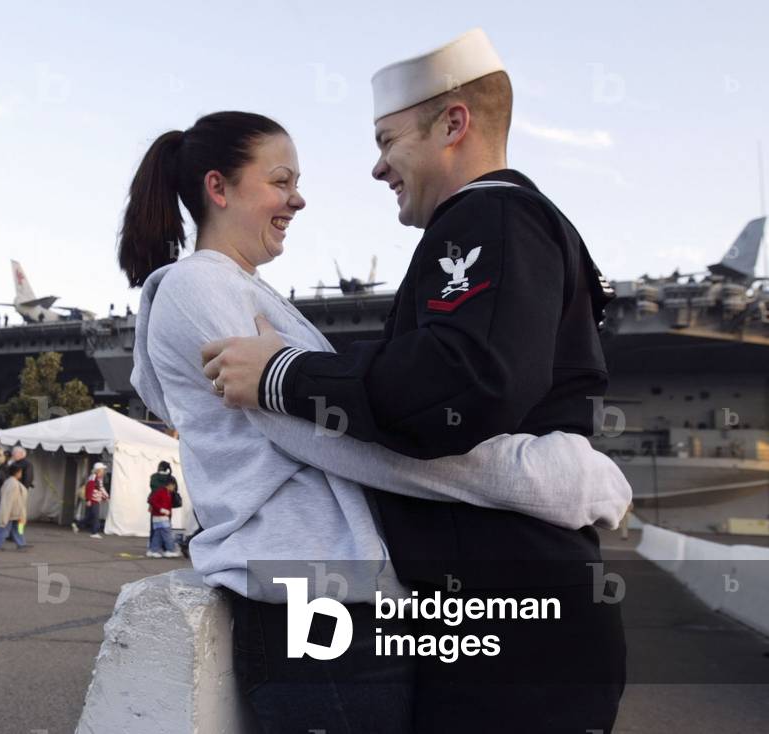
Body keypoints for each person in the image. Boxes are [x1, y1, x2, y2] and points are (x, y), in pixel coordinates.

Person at [121, 111, 631, 732]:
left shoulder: (250, 293)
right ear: (218, 188)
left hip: (351, 597)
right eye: (281, 181)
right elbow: (335, 439)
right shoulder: (199, 288)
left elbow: (345, 423)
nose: (298, 198)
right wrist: (555, 478)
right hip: (313, 603)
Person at [0, 463, 28, 551]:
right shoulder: (12, 484)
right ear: (17, 473)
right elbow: (8, 500)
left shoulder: (10, 482)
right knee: (5, 528)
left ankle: (21, 544)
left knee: (17, 528)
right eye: (20, 472)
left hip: (16, 511)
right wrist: (5, 513)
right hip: (13, 511)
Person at [146, 474, 179, 558]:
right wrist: (161, 509)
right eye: (173, 486)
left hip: (160, 517)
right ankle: (170, 550)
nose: (174, 488)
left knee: (158, 534)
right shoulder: (161, 492)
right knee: (167, 534)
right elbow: (152, 500)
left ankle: (153, 550)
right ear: (170, 485)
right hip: (160, 516)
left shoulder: (167, 493)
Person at [81, 462, 109, 538]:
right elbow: (89, 489)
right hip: (93, 500)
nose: (104, 471)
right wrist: (88, 500)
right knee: (95, 516)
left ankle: (78, 525)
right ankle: (94, 532)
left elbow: (101, 489)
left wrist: (106, 497)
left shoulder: (99, 479)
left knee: (90, 515)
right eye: (103, 470)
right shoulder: (93, 478)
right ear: (98, 470)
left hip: (96, 499)